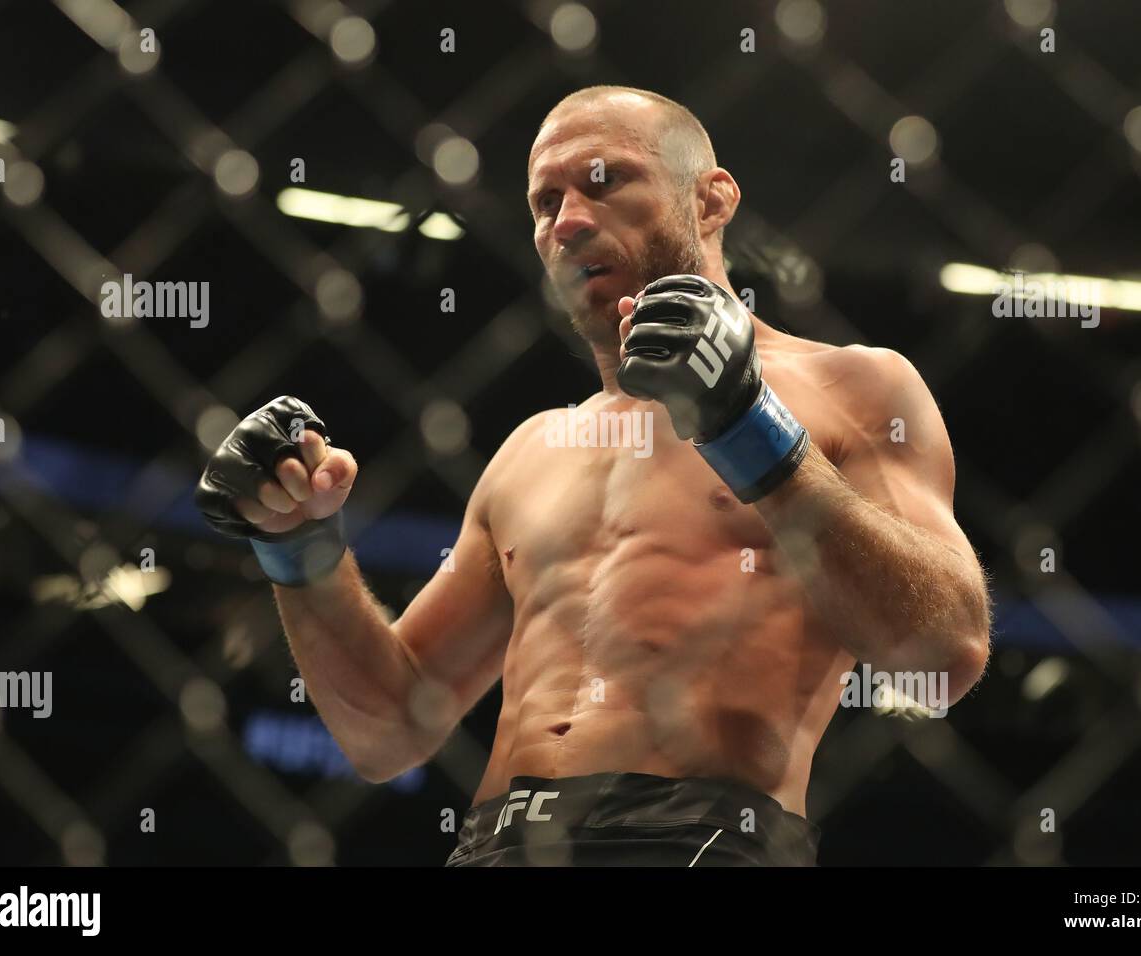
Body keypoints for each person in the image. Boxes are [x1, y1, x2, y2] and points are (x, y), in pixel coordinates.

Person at [195, 85, 991, 866]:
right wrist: (300, 547)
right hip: (495, 844)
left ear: (711, 200)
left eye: (605, 181)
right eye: (546, 202)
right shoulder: (533, 448)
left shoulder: (853, 388)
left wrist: (746, 426)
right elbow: (387, 731)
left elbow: (944, 653)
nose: (569, 221)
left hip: (698, 837)